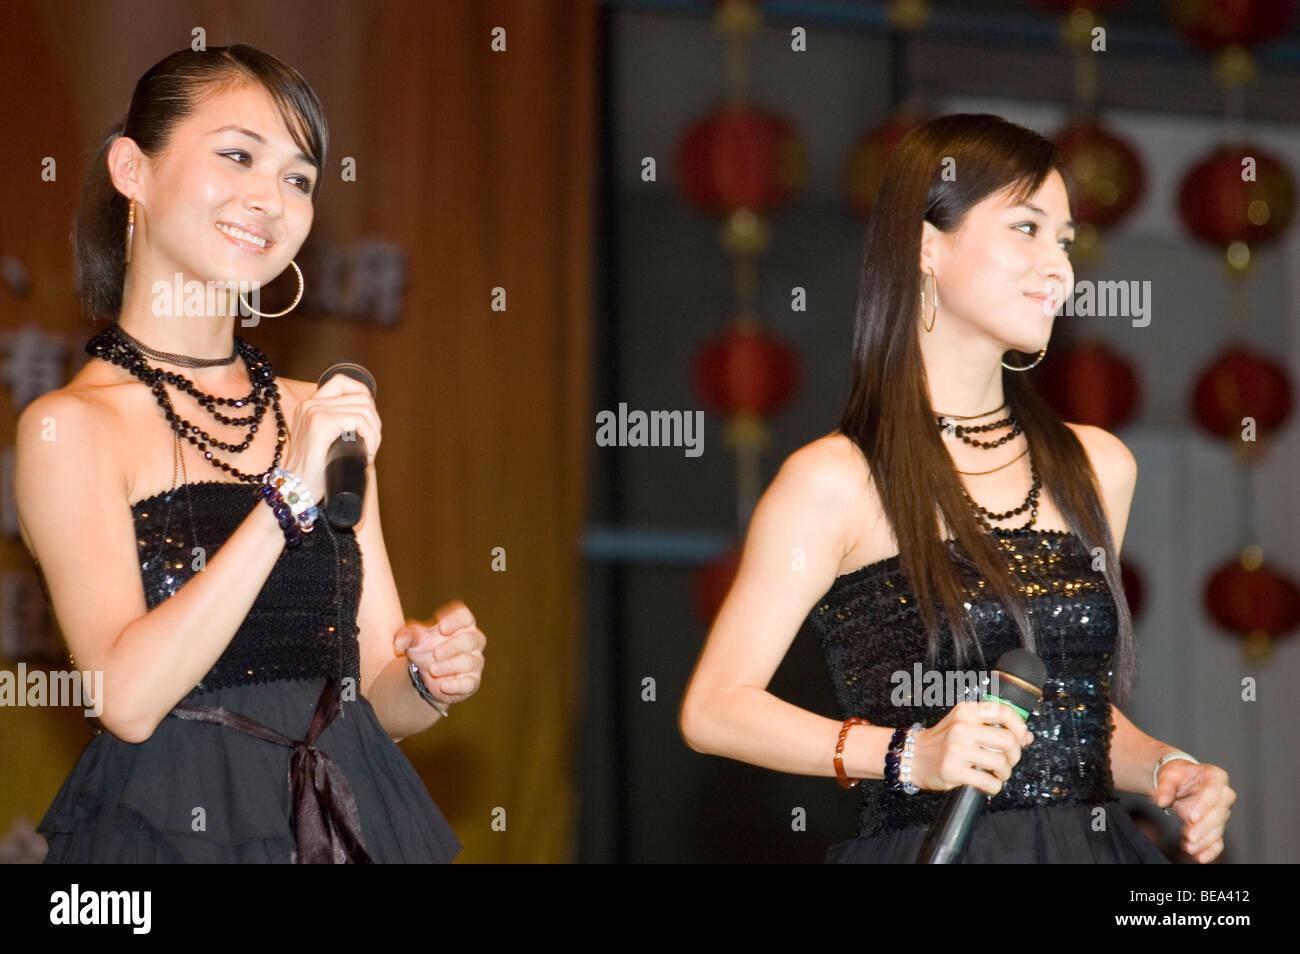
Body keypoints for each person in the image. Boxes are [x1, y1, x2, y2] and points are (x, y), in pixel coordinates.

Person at [679, 113, 1235, 864]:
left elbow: (1073, 718)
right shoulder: (836, 479)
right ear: (927, 247)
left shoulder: (1098, 465)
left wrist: (1167, 767)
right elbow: (716, 708)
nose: (1060, 268)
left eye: (1066, 240)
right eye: (1027, 229)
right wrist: (910, 755)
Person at [14, 44, 486, 863]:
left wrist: (426, 679)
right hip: (169, 833)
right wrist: (283, 497)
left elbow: (374, 690)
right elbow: (124, 697)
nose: (270, 199)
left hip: (347, 825)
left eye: (299, 179)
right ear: (133, 168)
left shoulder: (316, 411)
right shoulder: (72, 427)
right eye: (238, 155)